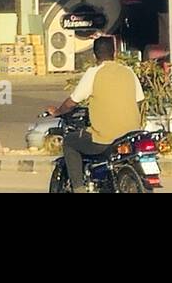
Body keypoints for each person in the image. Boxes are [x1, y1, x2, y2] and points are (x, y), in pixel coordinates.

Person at [48, 35, 145, 191]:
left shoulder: (94, 73)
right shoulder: (129, 72)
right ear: (115, 53)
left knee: (70, 142)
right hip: (131, 134)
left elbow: (72, 101)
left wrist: (58, 111)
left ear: (94, 55)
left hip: (105, 139)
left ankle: (79, 188)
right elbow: (139, 100)